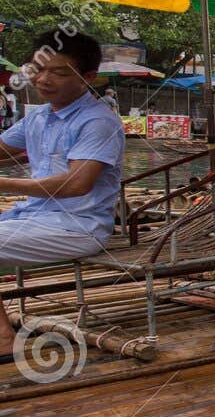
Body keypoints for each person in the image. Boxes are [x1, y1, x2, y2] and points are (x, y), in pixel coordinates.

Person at [0, 30, 125, 348]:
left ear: (88, 77)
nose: (44, 79)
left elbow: (76, 184)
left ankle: (3, 339)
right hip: (31, 217)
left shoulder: (98, 121)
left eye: (58, 72)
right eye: (38, 69)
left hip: (78, 227)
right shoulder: (38, 117)